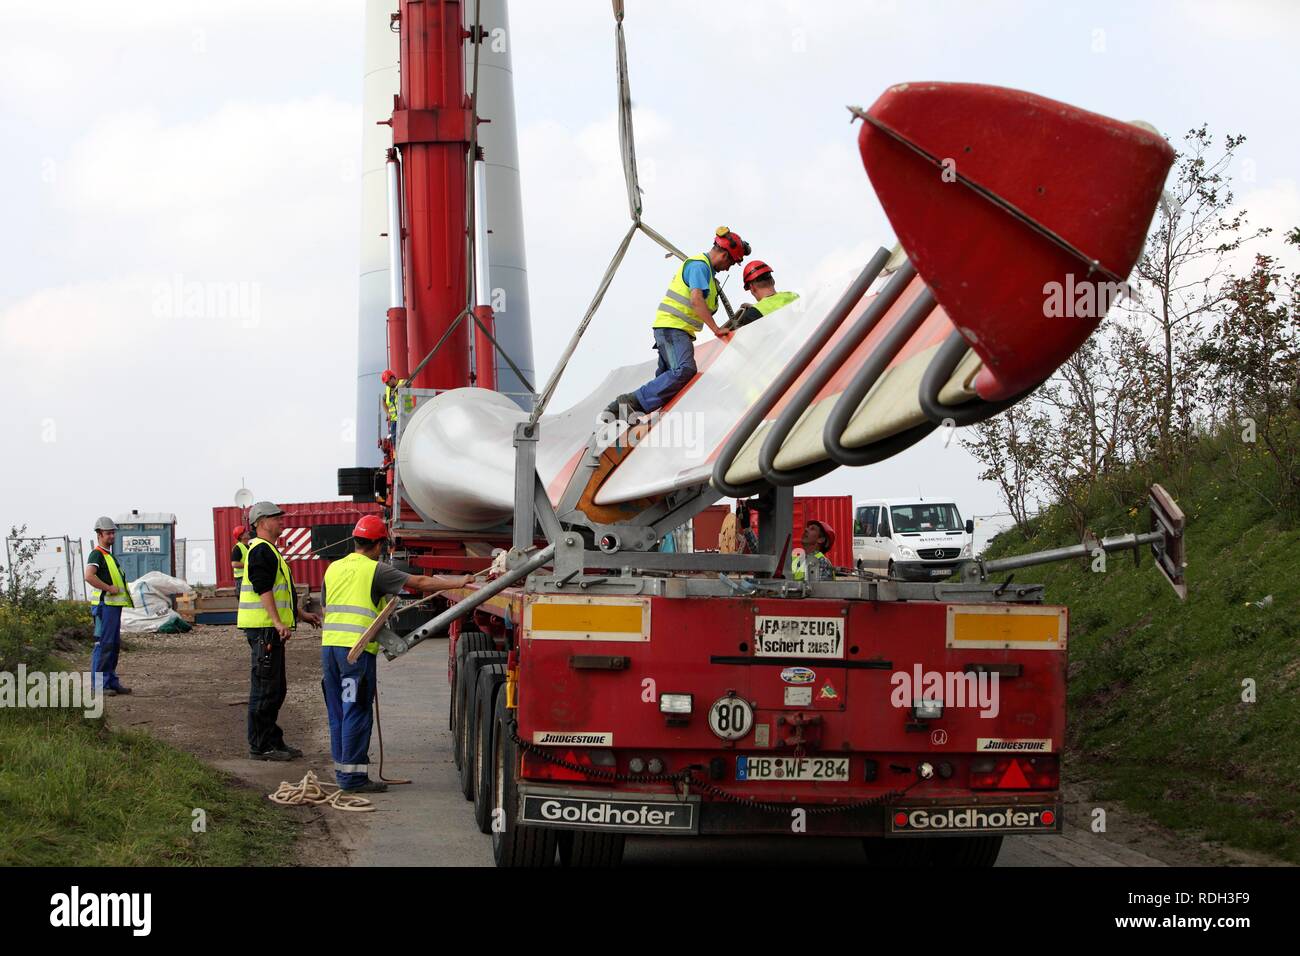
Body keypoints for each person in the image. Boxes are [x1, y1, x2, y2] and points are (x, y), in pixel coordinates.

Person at [321, 515, 471, 793]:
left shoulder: (333, 569)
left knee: (339, 710)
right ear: (378, 545)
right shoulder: (375, 570)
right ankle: (353, 779)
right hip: (356, 652)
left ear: (356, 540)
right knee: (356, 709)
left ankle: (344, 771)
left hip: (330, 650)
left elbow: (326, 607)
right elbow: (421, 582)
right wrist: (459, 582)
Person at [605, 227, 748, 420]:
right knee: (685, 369)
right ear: (724, 254)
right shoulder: (699, 266)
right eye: (731, 262)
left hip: (673, 329)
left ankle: (636, 416)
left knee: (667, 382)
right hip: (673, 328)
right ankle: (627, 405)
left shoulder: (707, 273)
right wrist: (715, 329)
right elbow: (696, 300)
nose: (729, 268)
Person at [238, 501, 321, 761]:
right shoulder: (261, 551)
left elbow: (281, 591)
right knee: (265, 688)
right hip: (264, 629)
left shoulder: (271, 551)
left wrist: (301, 615)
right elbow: (263, 589)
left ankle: (273, 740)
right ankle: (262, 746)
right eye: (277, 518)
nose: (282, 521)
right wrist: (276, 621)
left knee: (275, 688)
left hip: (268, 629)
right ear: (261, 523)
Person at [83, 516, 135, 695]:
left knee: (112, 645)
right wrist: (108, 588)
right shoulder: (97, 554)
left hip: (112, 607)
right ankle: (100, 685)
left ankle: (111, 681)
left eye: (113, 532)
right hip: (104, 607)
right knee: (103, 645)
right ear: (99, 534)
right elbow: (89, 576)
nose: (112, 536)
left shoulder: (108, 556)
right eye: (108, 533)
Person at [729, 260, 800, 329]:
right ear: (773, 280)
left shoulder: (752, 314)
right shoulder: (793, 296)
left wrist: (752, 310)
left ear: (752, 287)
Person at [381, 369, 406, 444]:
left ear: (392, 378)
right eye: (386, 383)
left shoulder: (402, 382)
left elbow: (408, 383)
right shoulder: (387, 390)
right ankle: (397, 454)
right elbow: (383, 401)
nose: (387, 384)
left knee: (406, 436)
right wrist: (388, 413)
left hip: (406, 416)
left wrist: (400, 387)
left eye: (387, 382)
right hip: (394, 419)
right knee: (394, 438)